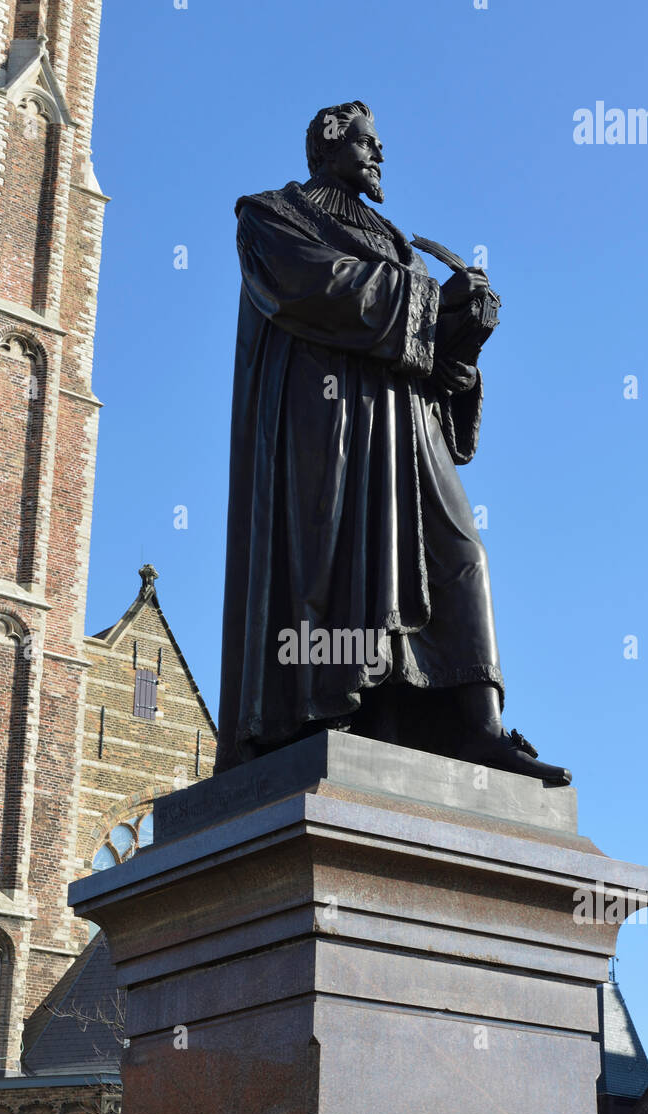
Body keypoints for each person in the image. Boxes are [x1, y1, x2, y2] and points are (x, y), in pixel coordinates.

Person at [215, 101, 570, 786]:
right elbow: (314, 287)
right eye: (369, 143)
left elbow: (438, 365)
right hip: (331, 422)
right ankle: (336, 708)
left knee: (460, 551)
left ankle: (478, 729)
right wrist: (430, 300)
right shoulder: (270, 215)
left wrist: (464, 327)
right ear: (328, 140)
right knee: (339, 560)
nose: (380, 156)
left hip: (409, 423)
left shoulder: (397, 242)